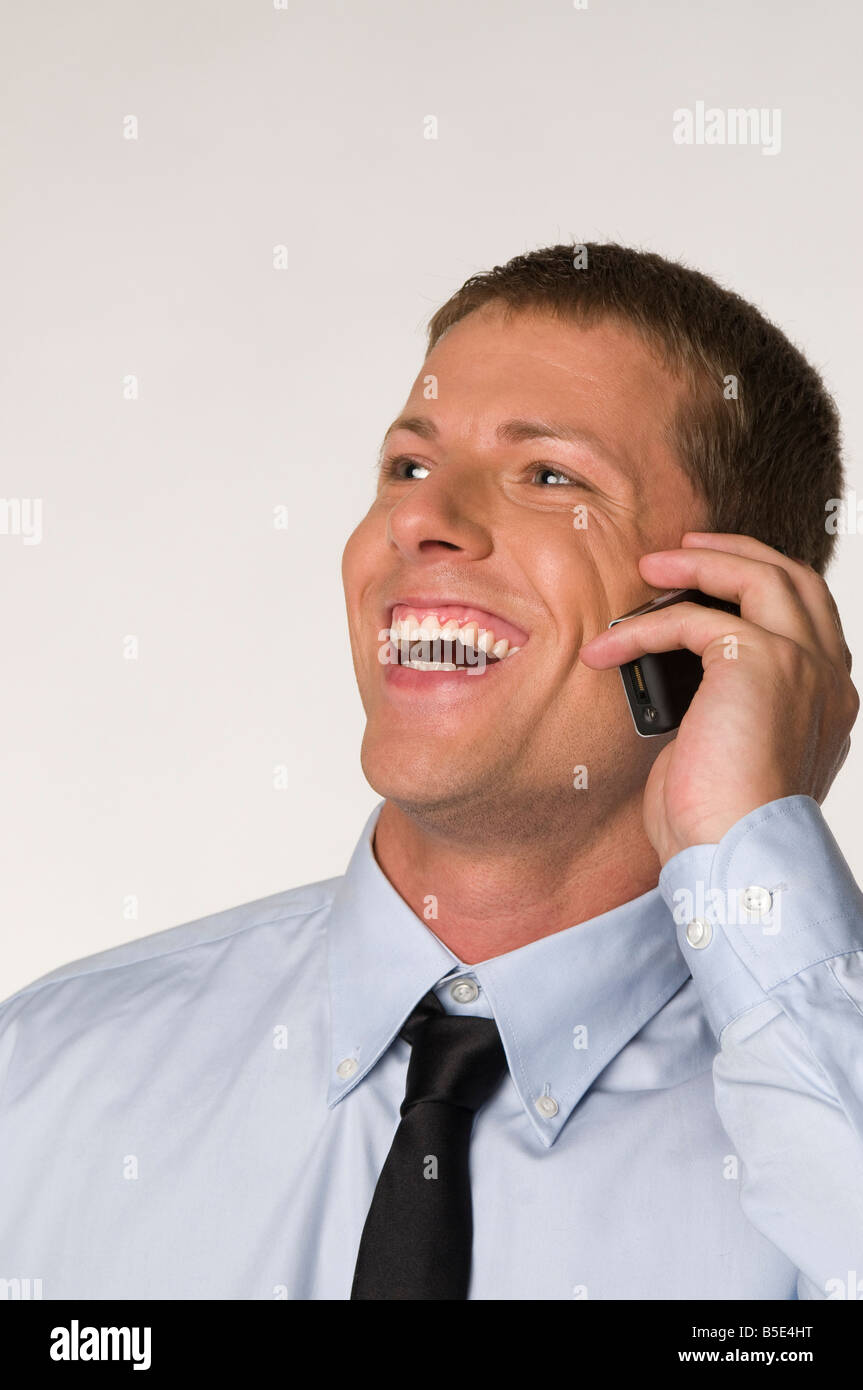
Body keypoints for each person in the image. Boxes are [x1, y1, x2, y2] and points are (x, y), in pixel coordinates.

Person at [1, 243, 860, 1301]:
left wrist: (754, 852)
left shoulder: (820, 1102)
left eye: (549, 476)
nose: (419, 518)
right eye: (407, 466)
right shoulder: (42, 1075)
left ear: (723, 615)